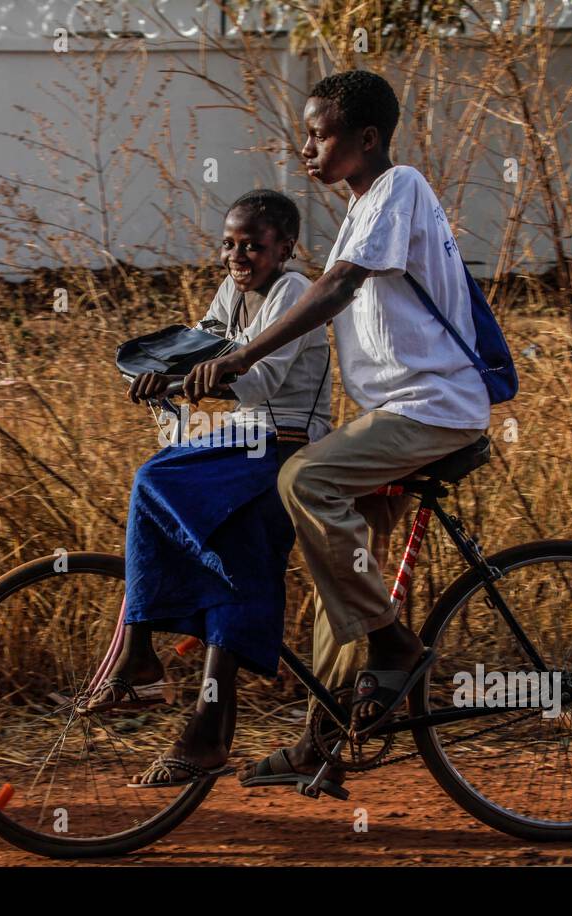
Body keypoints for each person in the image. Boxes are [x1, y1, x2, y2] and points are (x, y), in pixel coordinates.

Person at [180, 70, 491, 791]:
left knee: (304, 478)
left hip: (432, 410)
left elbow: (338, 288)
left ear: (368, 139)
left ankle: (394, 645)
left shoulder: (398, 188)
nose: (307, 150)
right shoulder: (361, 211)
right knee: (342, 578)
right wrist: (178, 369)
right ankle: (325, 739)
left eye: (321, 135)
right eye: (307, 135)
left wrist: (241, 357)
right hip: (394, 416)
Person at [83, 189, 333, 788]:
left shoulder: (293, 293)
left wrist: (210, 378)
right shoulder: (232, 292)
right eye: (229, 244)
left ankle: (142, 658)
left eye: (253, 245)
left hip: (284, 443)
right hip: (242, 442)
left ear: (284, 248)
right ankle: (206, 728)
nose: (238, 256)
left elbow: (262, 379)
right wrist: (161, 376)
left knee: (153, 480)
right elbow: (199, 344)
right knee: (230, 561)